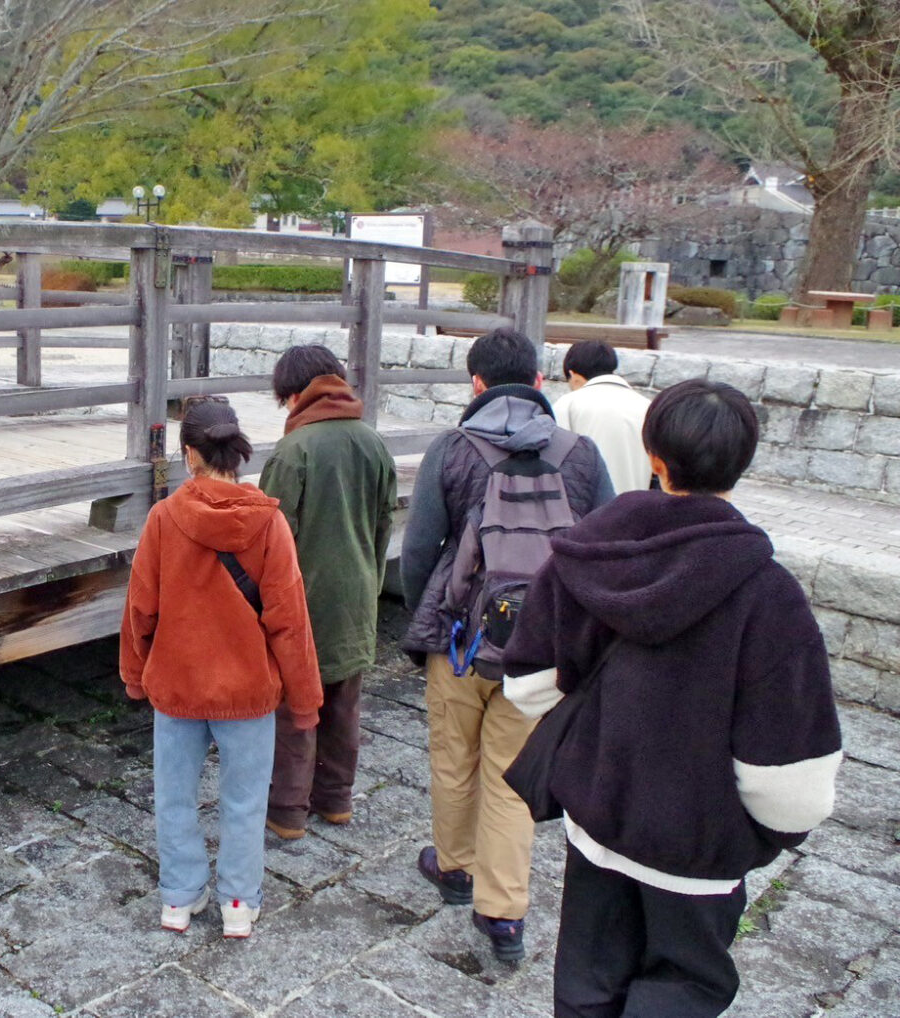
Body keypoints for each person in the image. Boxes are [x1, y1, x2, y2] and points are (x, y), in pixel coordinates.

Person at [503, 379, 842, 1018]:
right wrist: (767, 830)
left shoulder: (587, 552)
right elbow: (791, 775)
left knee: (586, 981)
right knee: (684, 987)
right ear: (743, 464)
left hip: (599, 816)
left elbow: (526, 685)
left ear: (653, 455)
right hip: (699, 843)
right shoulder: (769, 593)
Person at [399, 327, 614, 962]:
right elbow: (599, 551)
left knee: (452, 757)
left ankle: (455, 867)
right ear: (541, 382)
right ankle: (504, 913)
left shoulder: (452, 447)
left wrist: (429, 618)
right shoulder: (581, 454)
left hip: (462, 638)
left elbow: (418, 550)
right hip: (540, 648)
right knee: (510, 776)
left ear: (476, 384)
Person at [120, 398, 323, 940]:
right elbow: (289, 619)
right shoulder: (269, 524)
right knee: (244, 800)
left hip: (178, 684)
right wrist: (305, 699)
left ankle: (179, 899)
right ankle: (238, 901)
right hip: (248, 689)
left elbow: (141, 607)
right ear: (237, 452)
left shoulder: (164, 519)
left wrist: (134, 673)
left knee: (175, 796)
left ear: (190, 455)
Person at [257, 346, 398, 840]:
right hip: (359, 590)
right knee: (344, 703)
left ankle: (287, 812)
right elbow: (385, 524)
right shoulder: (373, 442)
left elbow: (270, 540)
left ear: (294, 394)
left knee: (297, 707)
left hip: (304, 600)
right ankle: (336, 801)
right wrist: (370, 581)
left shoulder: (293, 451)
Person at [551, 340, 653, 492]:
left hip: (589, 511)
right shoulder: (648, 407)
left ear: (573, 375)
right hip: (637, 509)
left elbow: (555, 462)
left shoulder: (568, 404)